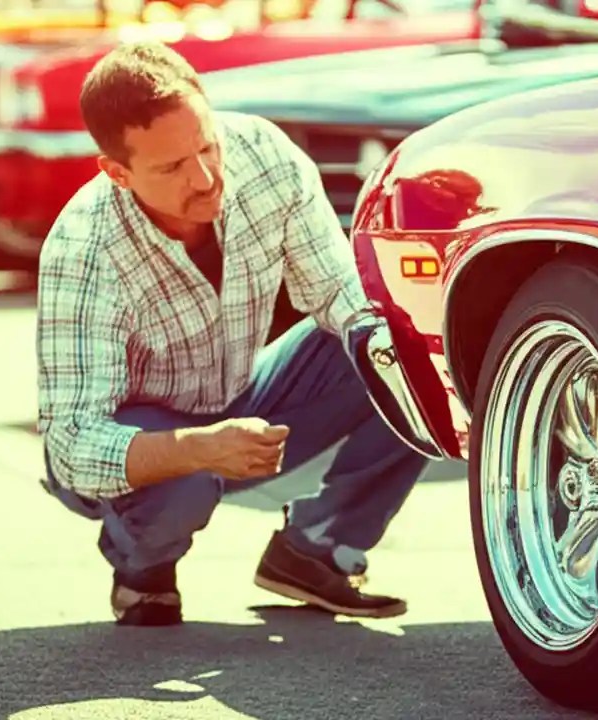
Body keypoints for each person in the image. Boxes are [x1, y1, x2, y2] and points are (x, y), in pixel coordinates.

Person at [35, 40, 428, 627]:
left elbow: (338, 293)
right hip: (143, 436)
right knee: (186, 482)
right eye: (171, 168)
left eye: (206, 144)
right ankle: (143, 572)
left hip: (248, 397)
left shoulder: (266, 157)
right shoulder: (83, 251)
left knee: (401, 347)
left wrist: (409, 354)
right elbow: (71, 445)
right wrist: (197, 447)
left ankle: (316, 548)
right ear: (117, 173)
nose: (205, 176)